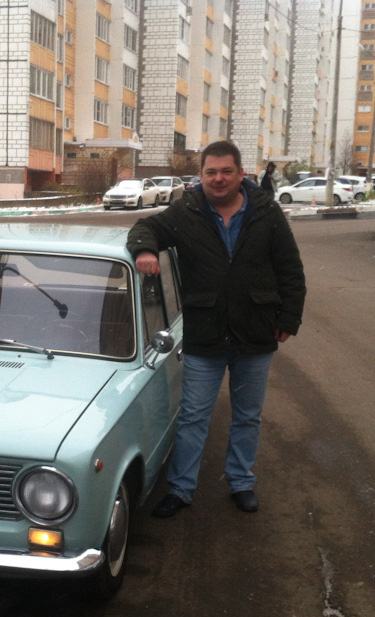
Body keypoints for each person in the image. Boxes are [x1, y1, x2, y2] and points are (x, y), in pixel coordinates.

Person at [127, 141, 305, 517]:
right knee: (193, 416)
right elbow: (146, 226)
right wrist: (145, 251)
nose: (218, 179)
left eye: (226, 171)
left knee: (247, 415)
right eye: (211, 172)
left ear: (242, 174)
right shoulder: (187, 212)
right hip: (205, 334)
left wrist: (288, 319)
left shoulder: (266, 213)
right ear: (202, 176)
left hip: (255, 334)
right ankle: (181, 488)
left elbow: (290, 270)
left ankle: (241, 482)